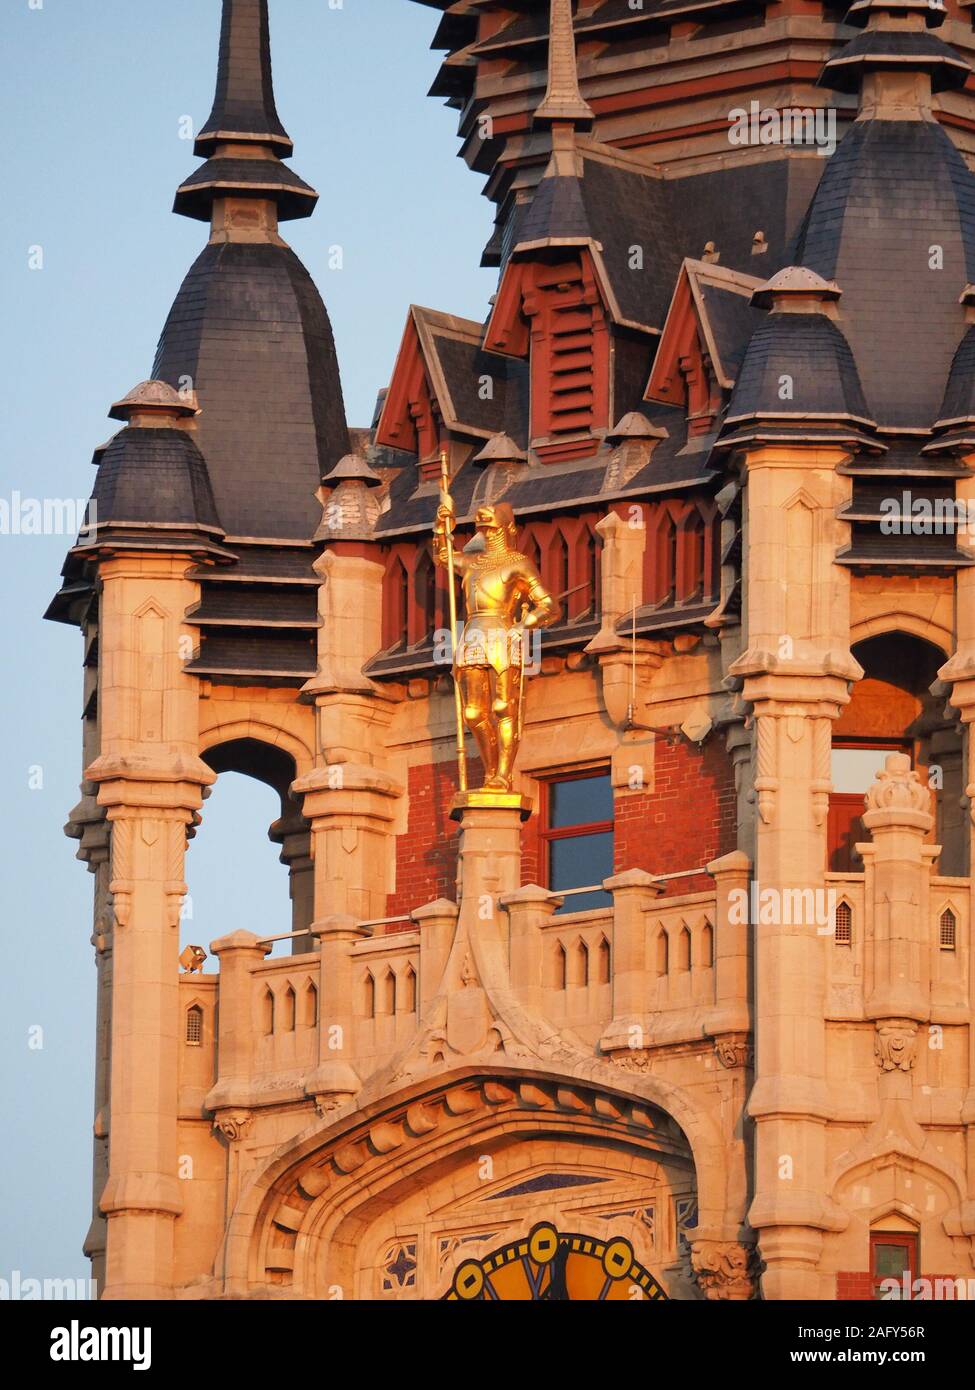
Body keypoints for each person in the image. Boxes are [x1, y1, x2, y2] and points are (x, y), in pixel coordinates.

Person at [433, 499, 560, 791]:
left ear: (505, 528)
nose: (488, 534)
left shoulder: (518, 563)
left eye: (492, 529)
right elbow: (443, 556)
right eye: (484, 530)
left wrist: (523, 626)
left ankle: (503, 773)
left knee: (504, 707)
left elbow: (549, 605)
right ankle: (490, 771)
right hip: (473, 633)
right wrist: (442, 525)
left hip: (503, 633)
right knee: (473, 713)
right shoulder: (472, 563)